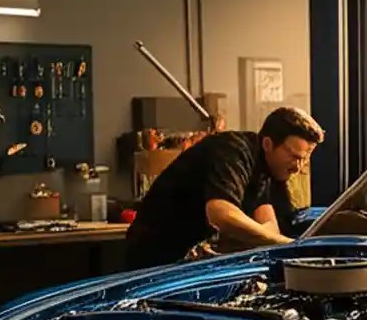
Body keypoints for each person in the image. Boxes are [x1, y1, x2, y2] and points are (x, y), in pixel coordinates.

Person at [124, 106, 324, 270]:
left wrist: (285, 245)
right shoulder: (234, 151)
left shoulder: (266, 170)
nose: (298, 167)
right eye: (294, 157)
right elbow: (221, 213)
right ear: (268, 144)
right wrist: (290, 246)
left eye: (305, 159)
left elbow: (268, 225)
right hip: (151, 259)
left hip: (182, 260)